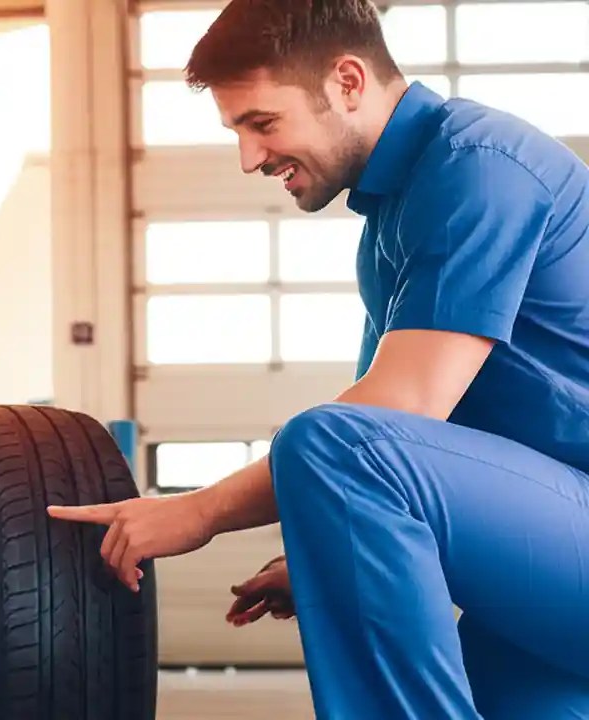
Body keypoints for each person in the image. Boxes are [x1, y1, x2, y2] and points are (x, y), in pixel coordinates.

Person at [47, 0, 589, 717]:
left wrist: (199, 512)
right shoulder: (393, 225)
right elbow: (388, 430)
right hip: (548, 567)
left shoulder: (480, 169)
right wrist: (326, 550)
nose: (248, 158)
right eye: (236, 130)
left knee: (327, 443)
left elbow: (386, 423)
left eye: (262, 123)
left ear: (348, 82)